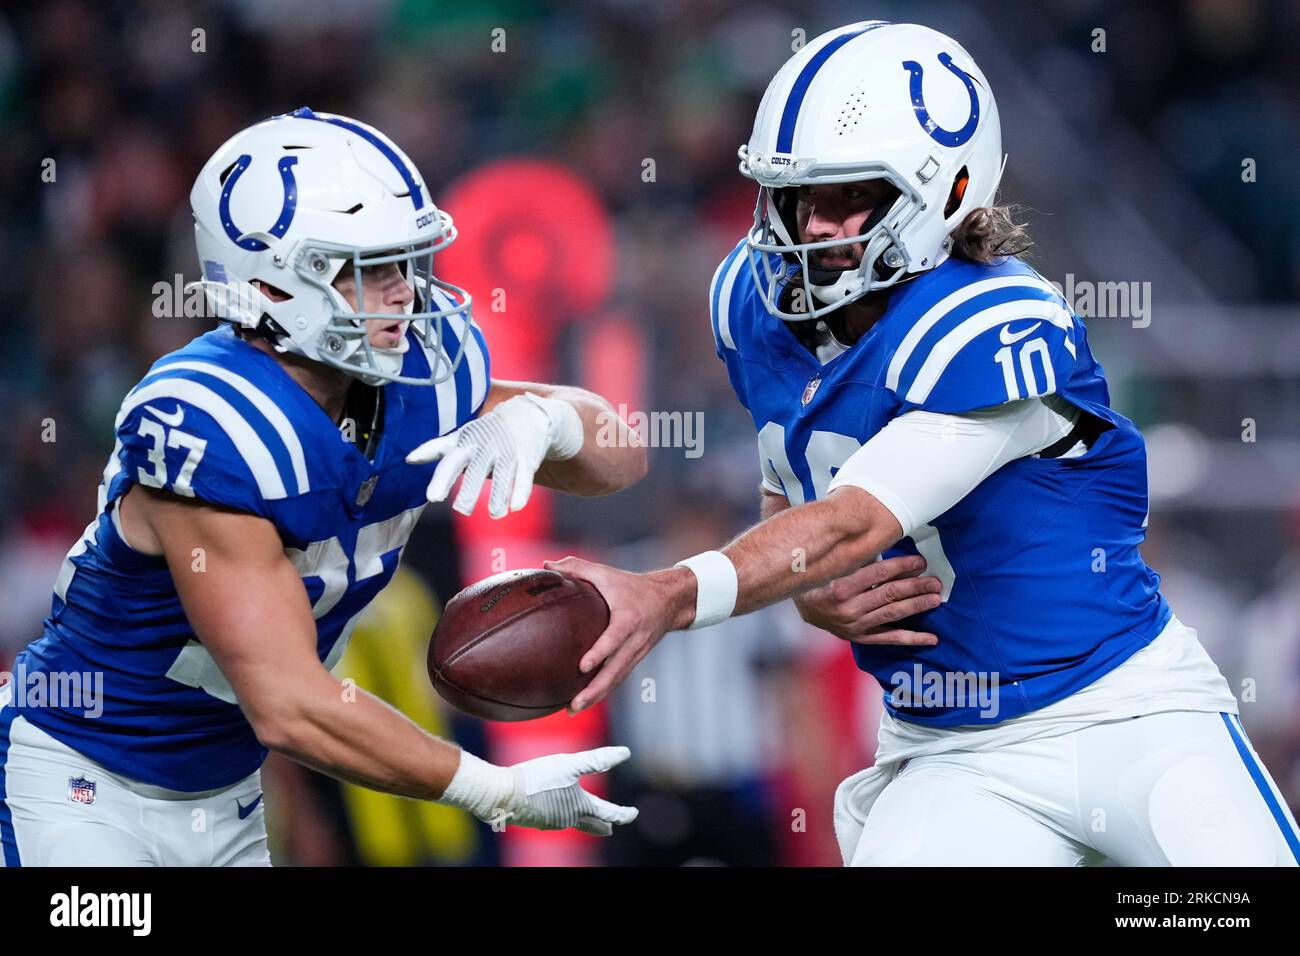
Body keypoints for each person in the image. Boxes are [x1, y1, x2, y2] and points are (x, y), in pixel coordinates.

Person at [546, 22, 1300, 866]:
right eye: (796, 199)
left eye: (848, 197)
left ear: (947, 190)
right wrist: (804, 588)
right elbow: (794, 496)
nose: (812, 227)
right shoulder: (753, 304)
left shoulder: (997, 325)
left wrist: (668, 596)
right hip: (953, 754)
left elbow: (851, 521)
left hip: (1128, 714)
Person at [0, 108, 646, 866]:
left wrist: (549, 424)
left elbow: (622, 456)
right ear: (271, 284)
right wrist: (491, 788)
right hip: (84, 783)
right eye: (367, 267)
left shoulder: (417, 377)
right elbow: (288, 706)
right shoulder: (215, 426)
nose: (403, 292)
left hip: (225, 796)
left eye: (405, 262)